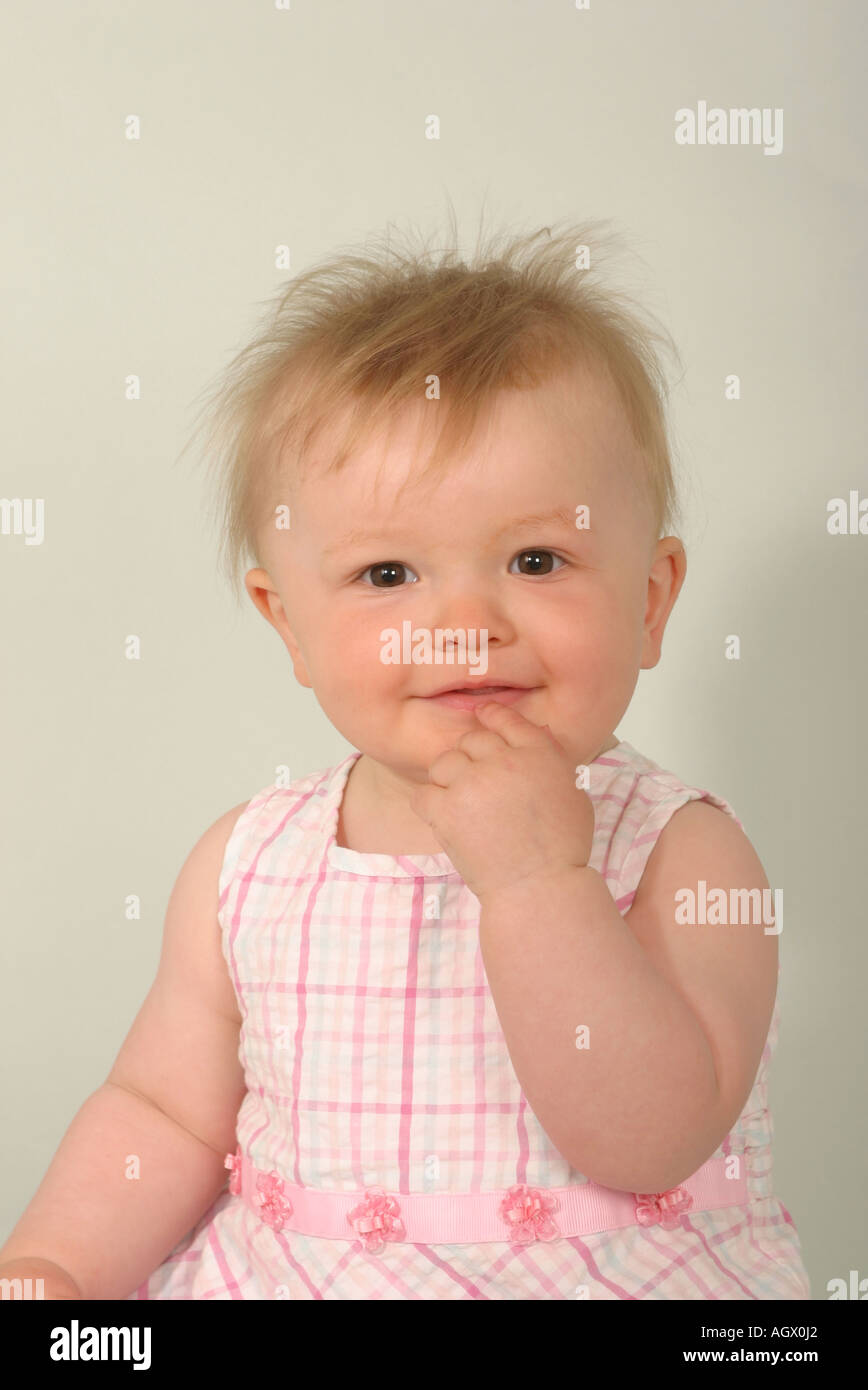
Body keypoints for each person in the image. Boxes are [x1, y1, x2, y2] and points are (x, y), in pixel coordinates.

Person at [0, 221, 811, 1299]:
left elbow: (652, 1137)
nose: (464, 623)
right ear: (286, 623)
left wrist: (538, 883)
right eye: (387, 574)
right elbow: (160, 1114)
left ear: (649, 599)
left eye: (536, 558)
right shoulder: (248, 865)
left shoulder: (683, 852)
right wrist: (57, 1262)